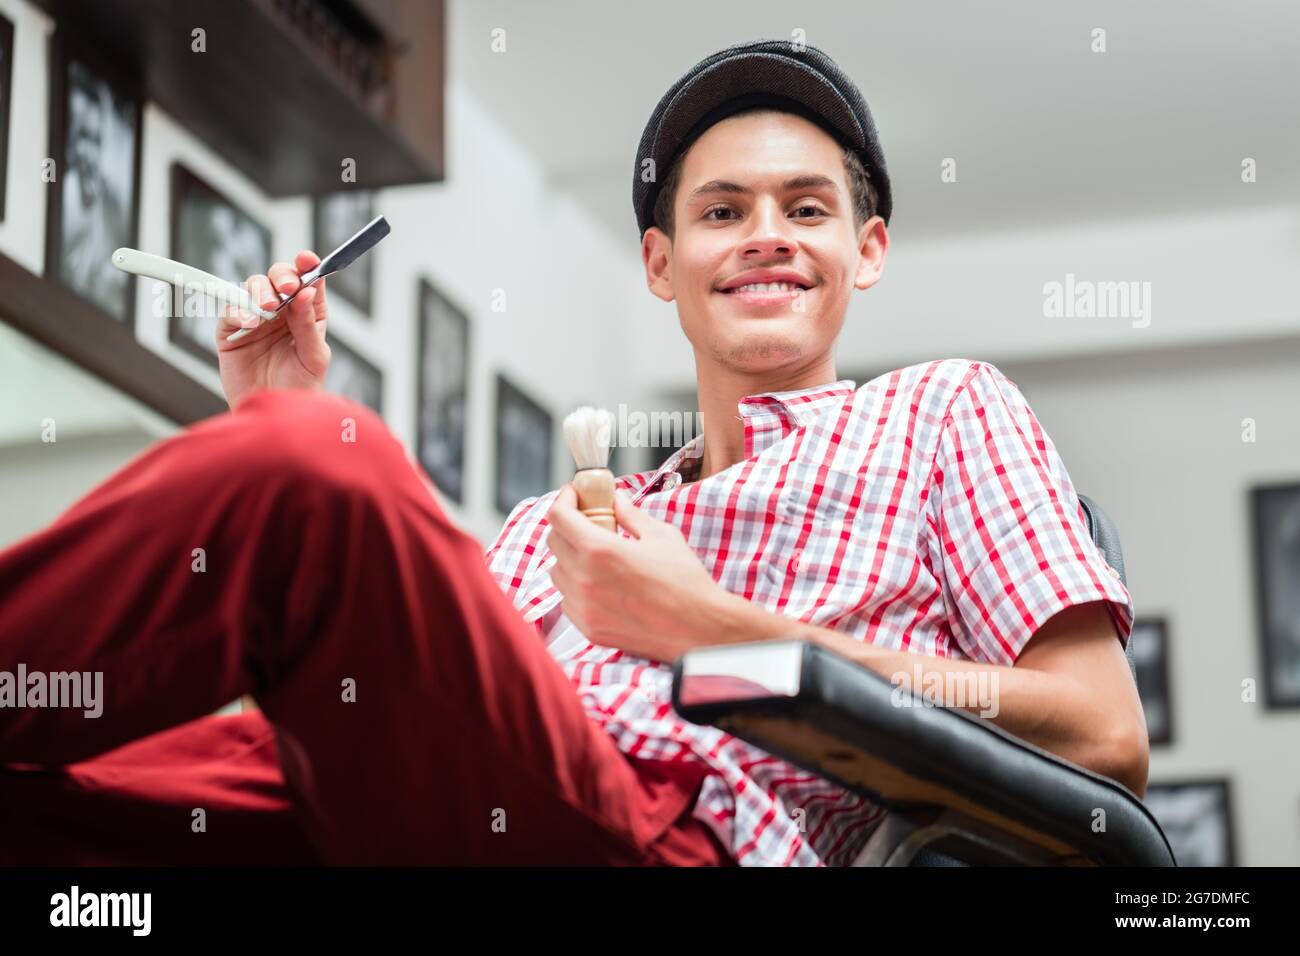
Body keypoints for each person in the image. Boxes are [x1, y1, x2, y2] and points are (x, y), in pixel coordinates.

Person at [0, 39, 1146, 867]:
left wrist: (721, 629)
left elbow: (1103, 737)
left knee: (312, 465)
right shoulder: (561, 519)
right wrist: (284, 416)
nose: (765, 236)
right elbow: (402, 673)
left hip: (664, 827)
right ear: (660, 263)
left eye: (805, 209)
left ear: (869, 249)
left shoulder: (942, 411)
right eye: (721, 210)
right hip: (398, 797)